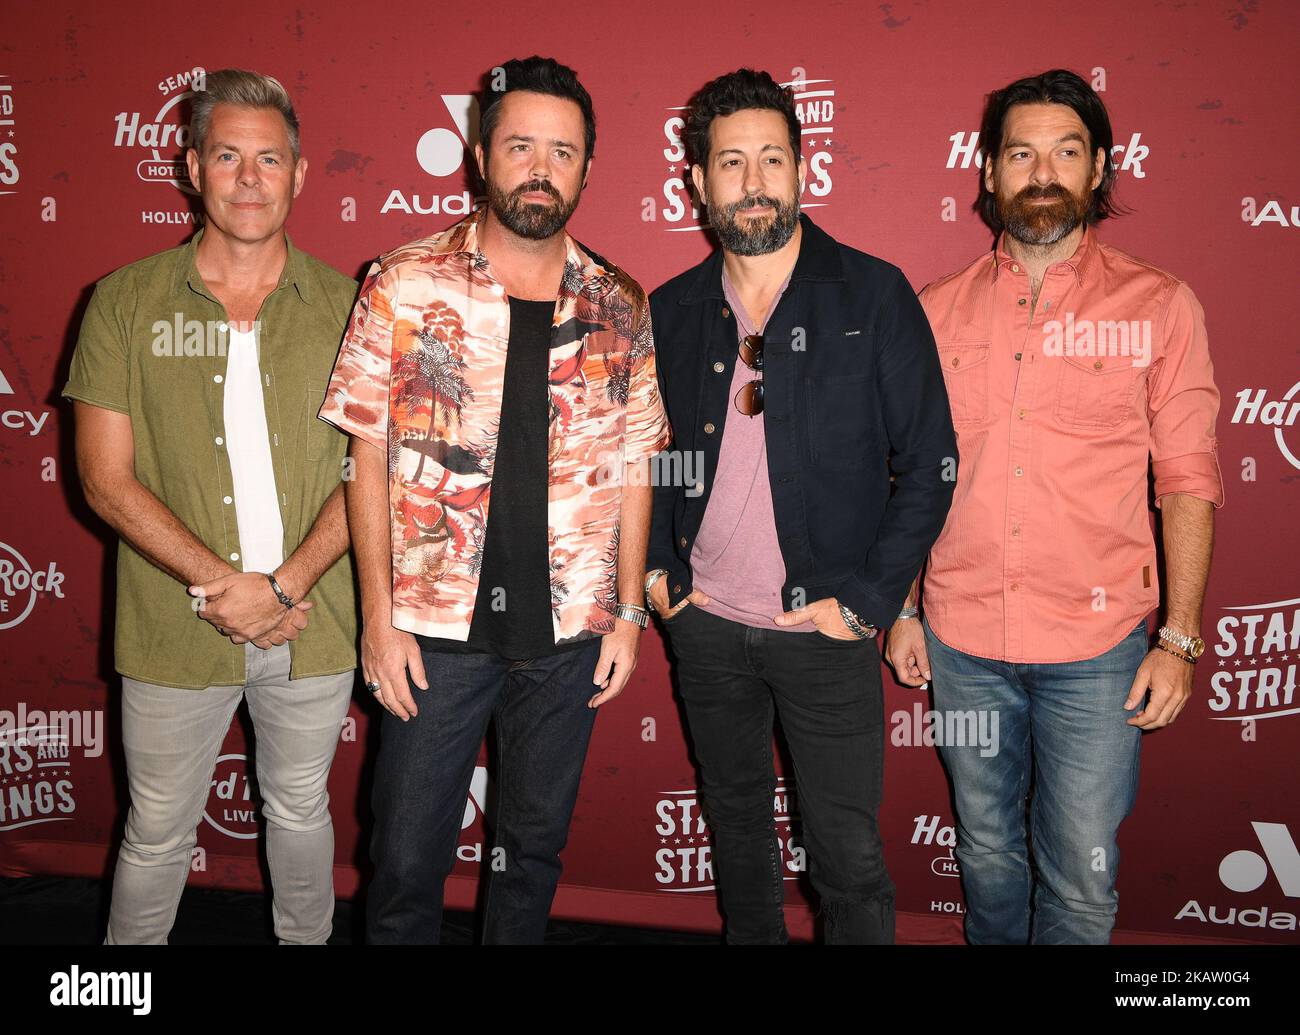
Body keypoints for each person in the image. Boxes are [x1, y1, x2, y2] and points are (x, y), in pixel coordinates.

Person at [319, 56, 671, 944]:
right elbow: (365, 456)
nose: (541, 168)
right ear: (481, 155)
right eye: (521, 145)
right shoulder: (403, 282)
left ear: (589, 168)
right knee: (403, 858)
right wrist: (379, 616)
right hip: (434, 627)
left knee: (532, 851)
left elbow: (636, 465)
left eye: (563, 150)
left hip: (567, 632)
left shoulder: (618, 304)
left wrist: (627, 613)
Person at [886, 69, 1223, 944]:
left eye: (1066, 152)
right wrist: (906, 607)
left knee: (1079, 875)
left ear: (1100, 167)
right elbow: (913, 474)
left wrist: (1180, 638)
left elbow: (1188, 478)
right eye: (1021, 153)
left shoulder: (1159, 306)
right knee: (987, 851)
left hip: (1098, 650)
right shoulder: (931, 311)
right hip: (962, 642)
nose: (1043, 171)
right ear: (990, 171)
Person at [645, 68, 957, 944]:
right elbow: (645, 460)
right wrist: (661, 570)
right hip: (704, 628)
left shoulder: (873, 292)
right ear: (698, 183)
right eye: (731, 163)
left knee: (847, 858)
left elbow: (931, 462)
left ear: (801, 171)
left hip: (826, 635)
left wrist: (868, 601)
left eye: (771, 160)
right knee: (738, 832)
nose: (753, 182)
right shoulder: (669, 311)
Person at [63, 69, 358, 944]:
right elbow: (103, 478)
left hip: (314, 618)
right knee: (155, 830)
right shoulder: (122, 301)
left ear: (301, 173)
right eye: (228, 155)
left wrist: (284, 583)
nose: (250, 178)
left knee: (302, 813)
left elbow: (370, 474)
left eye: (270, 158)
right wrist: (225, 584)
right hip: (170, 622)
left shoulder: (350, 307)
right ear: (192, 167)